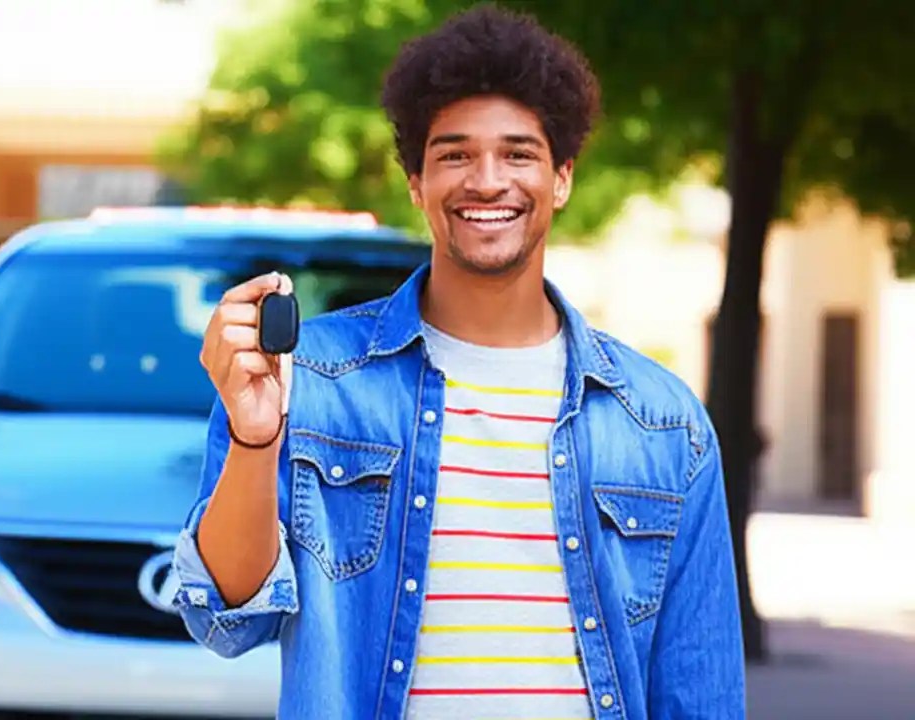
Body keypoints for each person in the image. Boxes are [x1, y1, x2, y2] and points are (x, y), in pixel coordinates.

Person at [172, 5, 746, 719]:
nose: (486, 180)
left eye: (518, 153)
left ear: (561, 178)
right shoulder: (310, 381)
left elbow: (700, 695)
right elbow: (227, 617)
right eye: (454, 154)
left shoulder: (665, 426)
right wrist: (256, 440)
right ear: (417, 183)